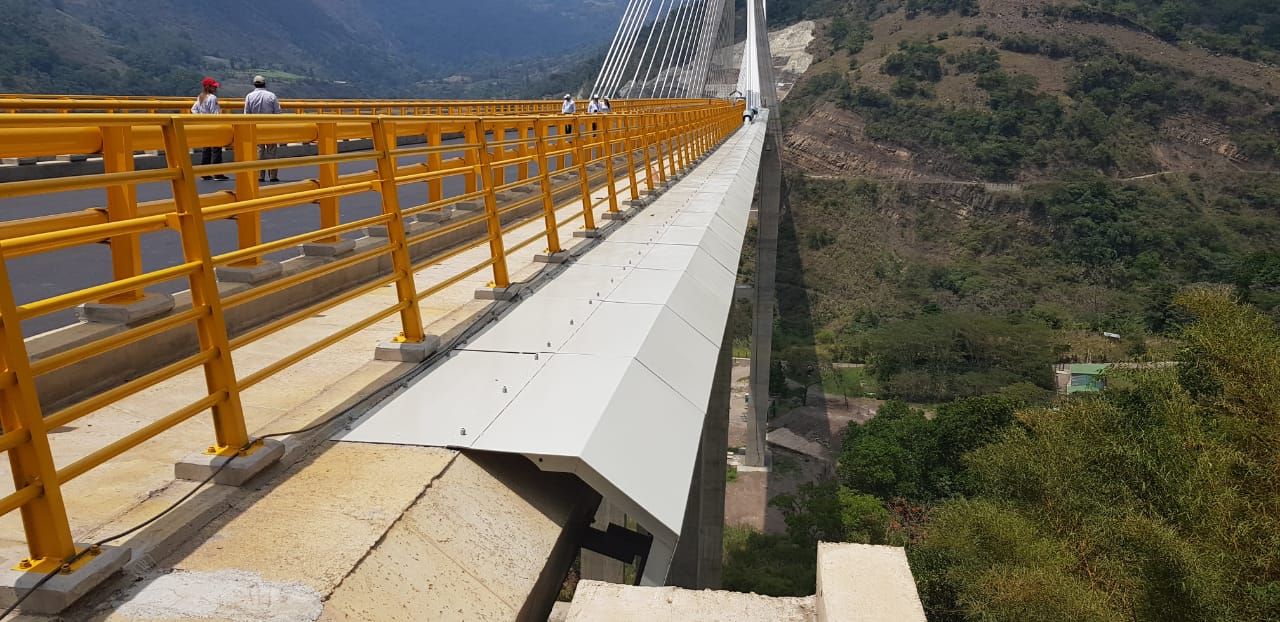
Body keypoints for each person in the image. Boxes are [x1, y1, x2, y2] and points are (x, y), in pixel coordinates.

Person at [243, 75, 284, 182]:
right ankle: (273, 176)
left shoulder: (249, 96)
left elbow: (246, 113)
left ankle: (259, 175)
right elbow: (278, 112)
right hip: (270, 127)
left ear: (254, 84)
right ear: (265, 83)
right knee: (272, 151)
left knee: (259, 151)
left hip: (256, 127)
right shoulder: (271, 96)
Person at [191, 77, 229, 180]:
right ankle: (217, 173)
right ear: (208, 87)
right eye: (213, 87)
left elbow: (193, 109)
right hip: (213, 126)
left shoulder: (200, 97)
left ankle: (205, 172)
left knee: (206, 149)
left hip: (204, 126)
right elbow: (215, 113)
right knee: (216, 150)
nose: (215, 88)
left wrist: (201, 119)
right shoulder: (212, 98)